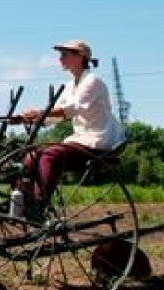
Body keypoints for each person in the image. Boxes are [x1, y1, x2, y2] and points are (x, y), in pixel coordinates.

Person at [16, 39, 124, 221]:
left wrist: (38, 113)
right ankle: (21, 203)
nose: (60, 59)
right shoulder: (69, 85)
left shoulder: (92, 81)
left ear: (81, 57)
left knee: (51, 155)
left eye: (65, 54)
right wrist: (26, 119)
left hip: (97, 141)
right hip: (80, 140)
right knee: (30, 158)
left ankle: (38, 205)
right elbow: (53, 116)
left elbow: (72, 108)